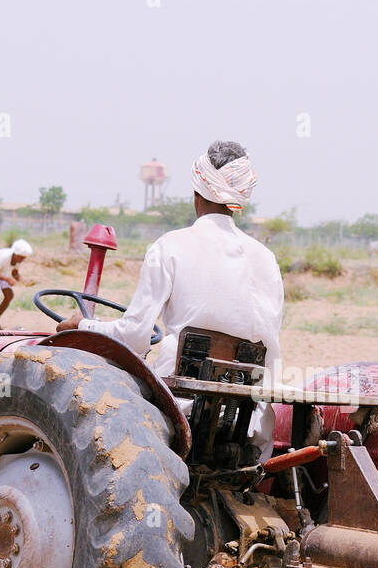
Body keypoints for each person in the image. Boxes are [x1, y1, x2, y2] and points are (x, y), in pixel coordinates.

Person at [56, 140, 282, 457]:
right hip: (248, 425)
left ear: (196, 193)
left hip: (174, 417)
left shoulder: (170, 247)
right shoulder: (267, 260)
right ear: (239, 200)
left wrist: (85, 325)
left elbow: (134, 338)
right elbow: (270, 350)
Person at [0, 238, 33, 329]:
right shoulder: (5, 257)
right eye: (21, 257)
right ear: (15, 254)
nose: (22, 259)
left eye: (24, 258)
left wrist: (24, 281)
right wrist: (7, 279)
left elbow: (15, 273)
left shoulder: (17, 259)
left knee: (9, 295)